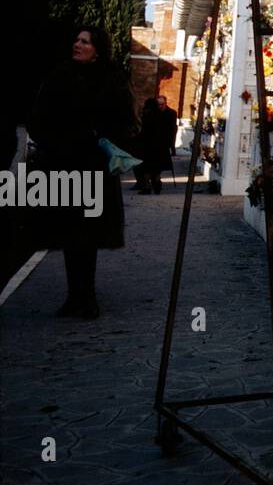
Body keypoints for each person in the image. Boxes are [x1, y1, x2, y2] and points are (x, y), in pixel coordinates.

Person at [25, 25, 136, 320]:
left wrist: (101, 136)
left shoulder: (111, 78)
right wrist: (56, 142)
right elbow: (38, 118)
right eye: (76, 40)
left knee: (88, 236)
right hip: (62, 166)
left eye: (84, 42)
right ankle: (74, 296)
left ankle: (87, 297)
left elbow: (126, 122)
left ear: (97, 48)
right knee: (69, 234)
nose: (77, 45)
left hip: (94, 168)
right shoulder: (59, 76)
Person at [135, 94, 178, 194]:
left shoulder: (169, 113)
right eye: (158, 105)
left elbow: (172, 130)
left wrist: (171, 145)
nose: (160, 107)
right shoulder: (151, 114)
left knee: (155, 167)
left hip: (160, 144)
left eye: (162, 104)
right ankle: (152, 185)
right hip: (150, 144)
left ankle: (154, 184)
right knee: (149, 167)